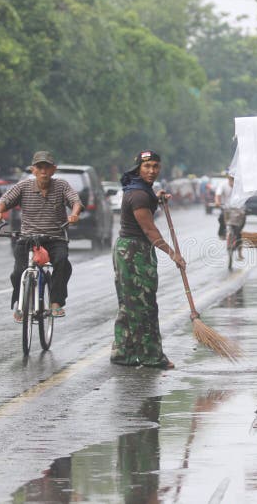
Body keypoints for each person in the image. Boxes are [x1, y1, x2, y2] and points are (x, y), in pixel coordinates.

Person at [110, 150, 186, 370]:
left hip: (130, 249)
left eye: (155, 166)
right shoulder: (139, 194)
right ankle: (151, 356)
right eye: (147, 166)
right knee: (144, 306)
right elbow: (149, 230)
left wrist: (158, 197)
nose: (152, 171)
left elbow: (148, 202)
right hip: (133, 251)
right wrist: (173, 254)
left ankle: (123, 352)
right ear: (138, 168)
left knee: (130, 304)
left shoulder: (142, 190)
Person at [0, 151, 82, 321]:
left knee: (62, 263)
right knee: (18, 272)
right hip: (28, 239)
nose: (43, 171)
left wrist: (74, 214)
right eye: (39, 168)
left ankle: (56, 302)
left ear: (53, 170)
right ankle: (20, 304)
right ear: (33, 170)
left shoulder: (61, 185)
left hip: (55, 238)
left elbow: (75, 201)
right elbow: (6, 199)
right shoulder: (23, 187)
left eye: (47, 168)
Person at [215, 172, 245, 260]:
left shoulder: (240, 187)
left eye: (234, 179)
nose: (233, 181)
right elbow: (218, 195)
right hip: (226, 209)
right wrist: (217, 202)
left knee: (239, 231)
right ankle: (222, 233)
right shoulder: (223, 185)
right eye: (231, 179)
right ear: (228, 178)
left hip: (238, 210)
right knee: (221, 218)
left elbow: (245, 197)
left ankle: (239, 253)